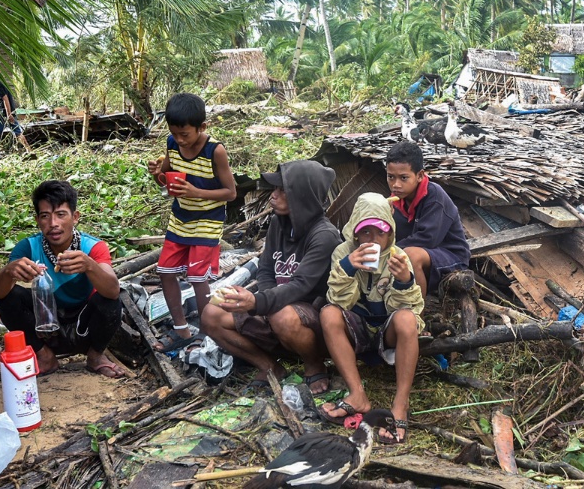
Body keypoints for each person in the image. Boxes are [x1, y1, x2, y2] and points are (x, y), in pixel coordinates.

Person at [201, 160, 341, 395]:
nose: (273, 196)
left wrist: (259, 303)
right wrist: (263, 301)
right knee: (211, 315)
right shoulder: (279, 223)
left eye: (281, 190)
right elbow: (266, 269)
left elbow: (301, 285)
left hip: (310, 316)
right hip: (275, 306)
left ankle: (314, 363)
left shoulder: (324, 236)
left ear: (301, 196)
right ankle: (269, 367)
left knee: (282, 316)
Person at [318, 192, 424, 444]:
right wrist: (348, 268)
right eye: (365, 232)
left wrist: (404, 281)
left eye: (380, 233)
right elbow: (341, 302)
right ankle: (357, 394)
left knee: (407, 319)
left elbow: (409, 309)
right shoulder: (342, 253)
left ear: (391, 234)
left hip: (387, 330)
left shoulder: (399, 256)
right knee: (328, 312)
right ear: (355, 232)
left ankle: (400, 403)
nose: (373, 240)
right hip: (358, 327)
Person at [0, 180, 124, 377]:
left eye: (61, 214)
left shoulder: (93, 247)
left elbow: (112, 290)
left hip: (83, 327)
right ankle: (44, 356)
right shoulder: (28, 247)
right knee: (10, 297)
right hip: (44, 327)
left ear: (75, 217)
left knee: (110, 300)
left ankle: (95, 356)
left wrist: (90, 266)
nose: (53, 224)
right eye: (45, 216)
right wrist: (9, 272)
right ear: (37, 220)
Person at [147, 93, 236, 352]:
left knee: (198, 277)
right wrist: (157, 175)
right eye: (174, 133)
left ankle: (209, 331)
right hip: (181, 217)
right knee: (165, 273)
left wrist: (196, 192)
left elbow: (230, 193)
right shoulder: (172, 144)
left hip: (208, 221)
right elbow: (166, 183)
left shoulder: (214, 151)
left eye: (185, 134)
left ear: (202, 128)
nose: (179, 139)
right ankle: (181, 329)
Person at [385, 141, 470, 297]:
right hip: (415, 253)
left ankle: (417, 316)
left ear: (419, 175)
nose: (395, 184)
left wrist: (387, 252)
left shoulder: (434, 196)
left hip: (450, 256)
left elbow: (428, 239)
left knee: (410, 255)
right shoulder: (393, 201)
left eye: (404, 178)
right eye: (391, 177)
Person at [0, 66, 33, 159]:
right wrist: (11, 114)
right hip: (10, 113)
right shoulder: (3, 83)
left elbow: (5, 99)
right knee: (18, 133)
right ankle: (29, 150)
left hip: (3, 115)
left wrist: (8, 114)